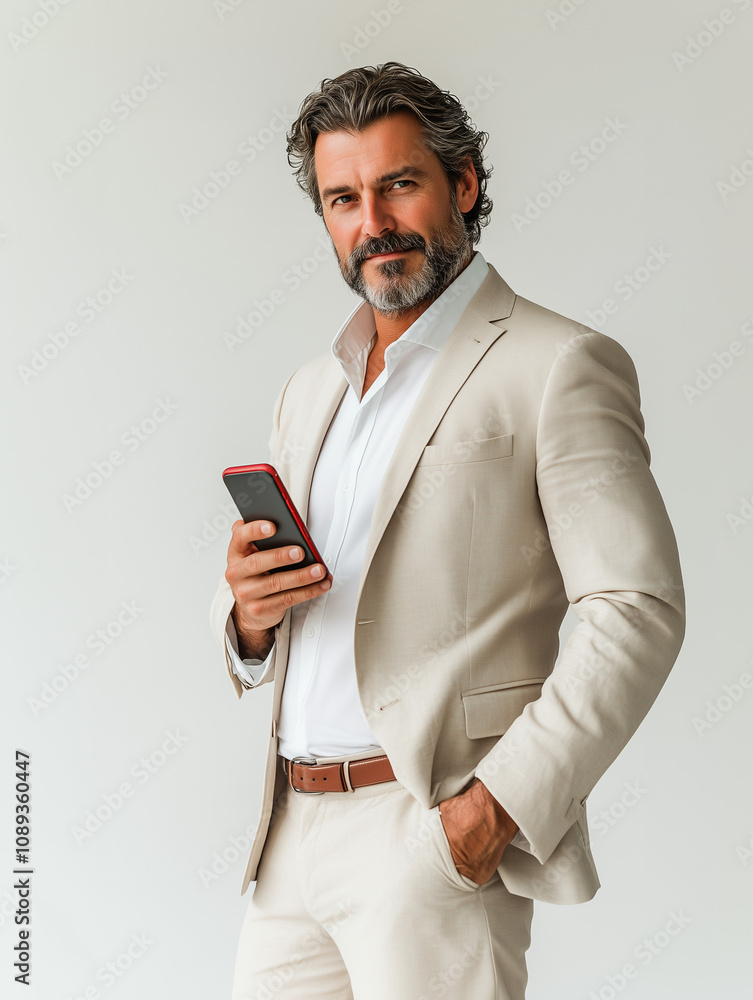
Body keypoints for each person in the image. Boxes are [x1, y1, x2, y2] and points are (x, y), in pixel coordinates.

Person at [209, 60, 685, 1000]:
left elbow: (635, 608)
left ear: (461, 183)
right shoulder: (310, 391)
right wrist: (250, 621)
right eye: (343, 197)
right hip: (287, 839)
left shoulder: (557, 364)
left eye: (398, 184)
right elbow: (299, 622)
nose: (372, 221)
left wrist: (489, 813)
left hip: (425, 835)